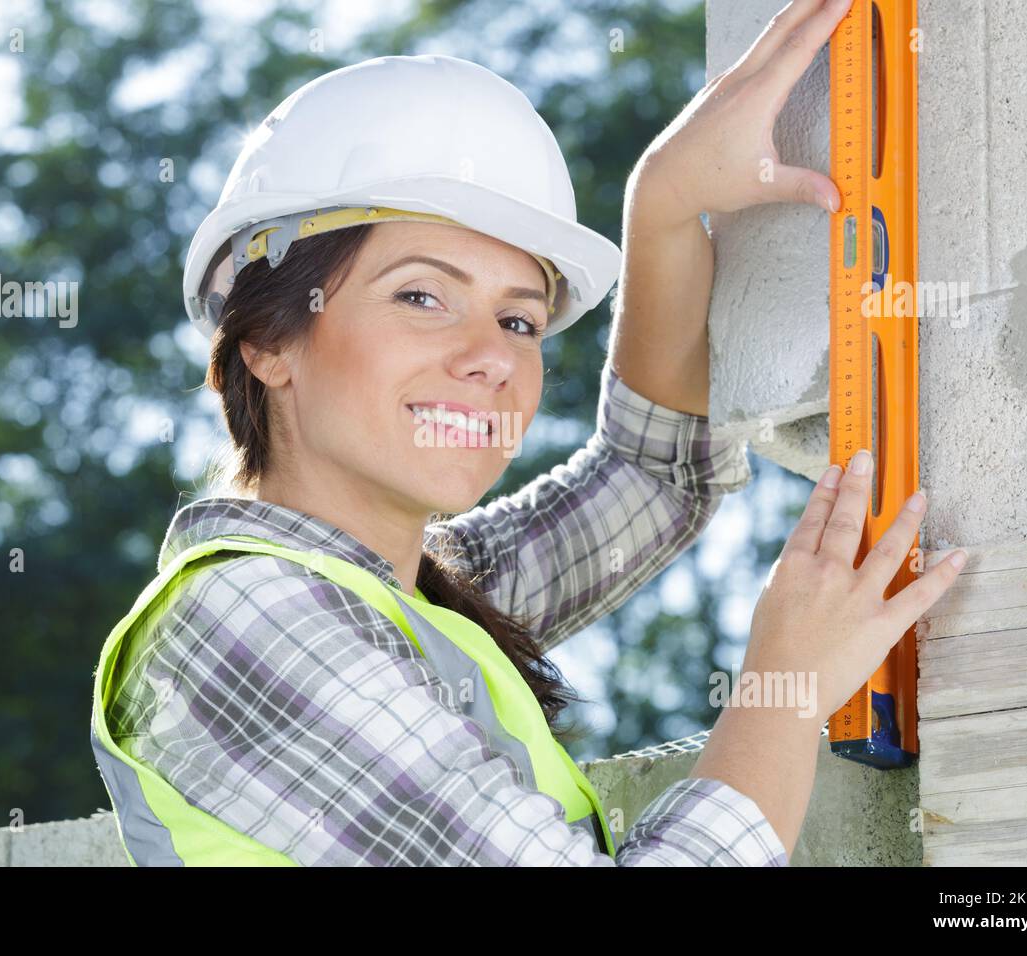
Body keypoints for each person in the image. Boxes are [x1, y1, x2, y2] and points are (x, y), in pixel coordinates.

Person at [91, 0, 967, 866]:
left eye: (519, 321)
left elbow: (655, 479)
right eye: (421, 297)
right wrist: (788, 686)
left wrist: (662, 203)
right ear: (269, 341)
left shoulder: (412, 602)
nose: (489, 358)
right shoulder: (249, 617)